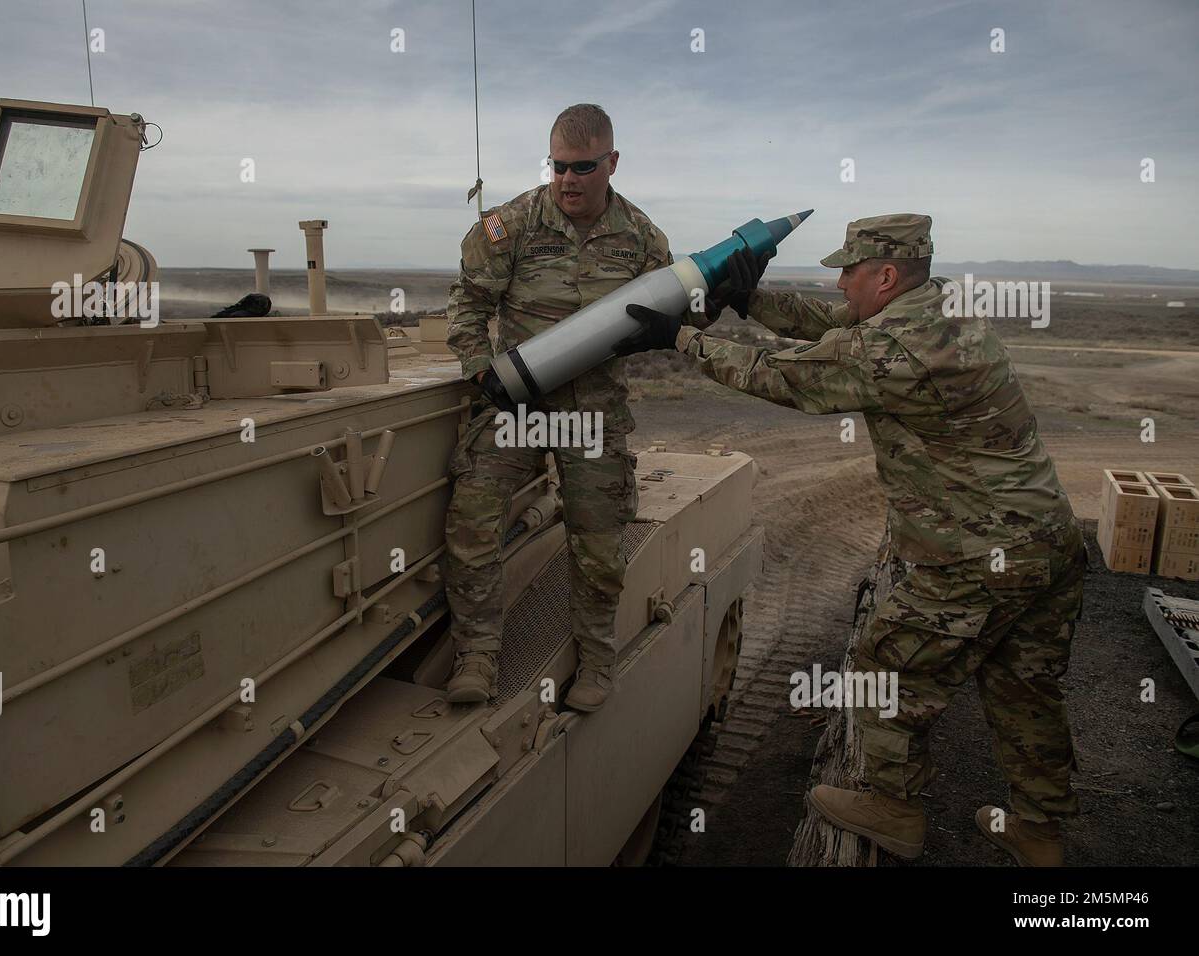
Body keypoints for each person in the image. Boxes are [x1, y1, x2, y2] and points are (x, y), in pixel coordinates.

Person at [623, 214, 1085, 866]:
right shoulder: (942, 307)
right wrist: (750, 301)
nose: (838, 281)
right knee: (1024, 689)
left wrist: (681, 339)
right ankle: (1039, 833)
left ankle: (892, 808)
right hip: (1047, 545)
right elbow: (837, 332)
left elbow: (790, 375)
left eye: (850, 270)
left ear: (887, 276)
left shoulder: (895, 350)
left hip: (977, 557)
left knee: (882, 673)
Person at [443, 103, 672, 712]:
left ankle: (596, 661)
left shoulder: (643, 239)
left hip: (594, 412)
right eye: (559, 166)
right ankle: (477, 655)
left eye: (583, 167)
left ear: (611, 163)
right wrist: (478, 369)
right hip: (517, 405)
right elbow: (466, 302)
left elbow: (674, 312)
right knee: (472, 521)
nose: (568, 180)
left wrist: (676, 322)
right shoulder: (512, 224)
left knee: (597, 543)